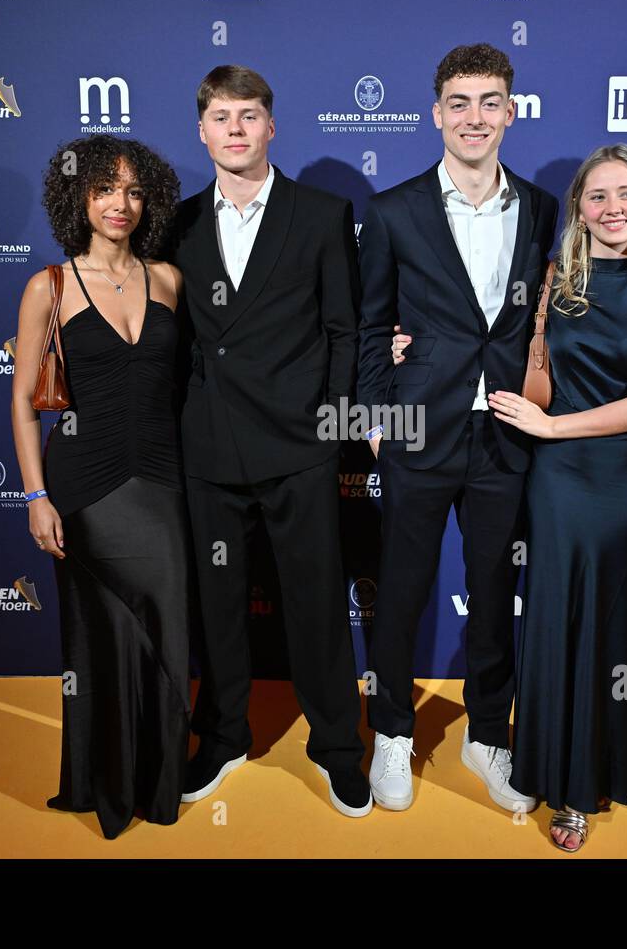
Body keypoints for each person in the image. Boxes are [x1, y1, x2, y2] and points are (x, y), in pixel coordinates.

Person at [356, 43, 558, 812]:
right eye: (461, 103)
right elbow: (371, 327)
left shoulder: (541, 208)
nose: (476, 118)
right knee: (402, 593)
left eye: (491, 102)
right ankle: (395, 740)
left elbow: (538, 316)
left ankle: (488, 738)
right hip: (419, 429)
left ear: (511, 111)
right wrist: (378, 419)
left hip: (505, 432)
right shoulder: (393, 209)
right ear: (437, 113)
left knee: (496, 591)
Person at [173, 65, 370, 817]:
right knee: (217, 603)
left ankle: (337, 750)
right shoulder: (179, 223)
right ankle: (220, 738)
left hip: (300, 448)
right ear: (202, 129)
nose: (235, 129)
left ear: (271, 126)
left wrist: (336, 428)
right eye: (221, 116)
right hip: (211, 448)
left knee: (317, 603)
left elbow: (344, 330)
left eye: (248, 115)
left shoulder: (321, 213)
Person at [488, 143, 627, 851]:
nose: (613, 209)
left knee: (615, 623)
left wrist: (554, 426)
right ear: (579, 206)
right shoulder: (557, 282)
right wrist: (418, 352)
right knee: (554, 622)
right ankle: (556, 778)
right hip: (560, 480)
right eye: (598, 196)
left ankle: (602, 771)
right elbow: (539, 379)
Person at [10, 135, 190, 839]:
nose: (121, 205)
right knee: (107, 637)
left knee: (169, 634)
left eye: (135, 191)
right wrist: (34, 496)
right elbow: (24, 400)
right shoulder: (47, 287)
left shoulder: (169, 279)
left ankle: (159, 779)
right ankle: (108, 782)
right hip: (84, 484)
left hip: (165, 478)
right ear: (77, 198)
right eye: (105, 189)